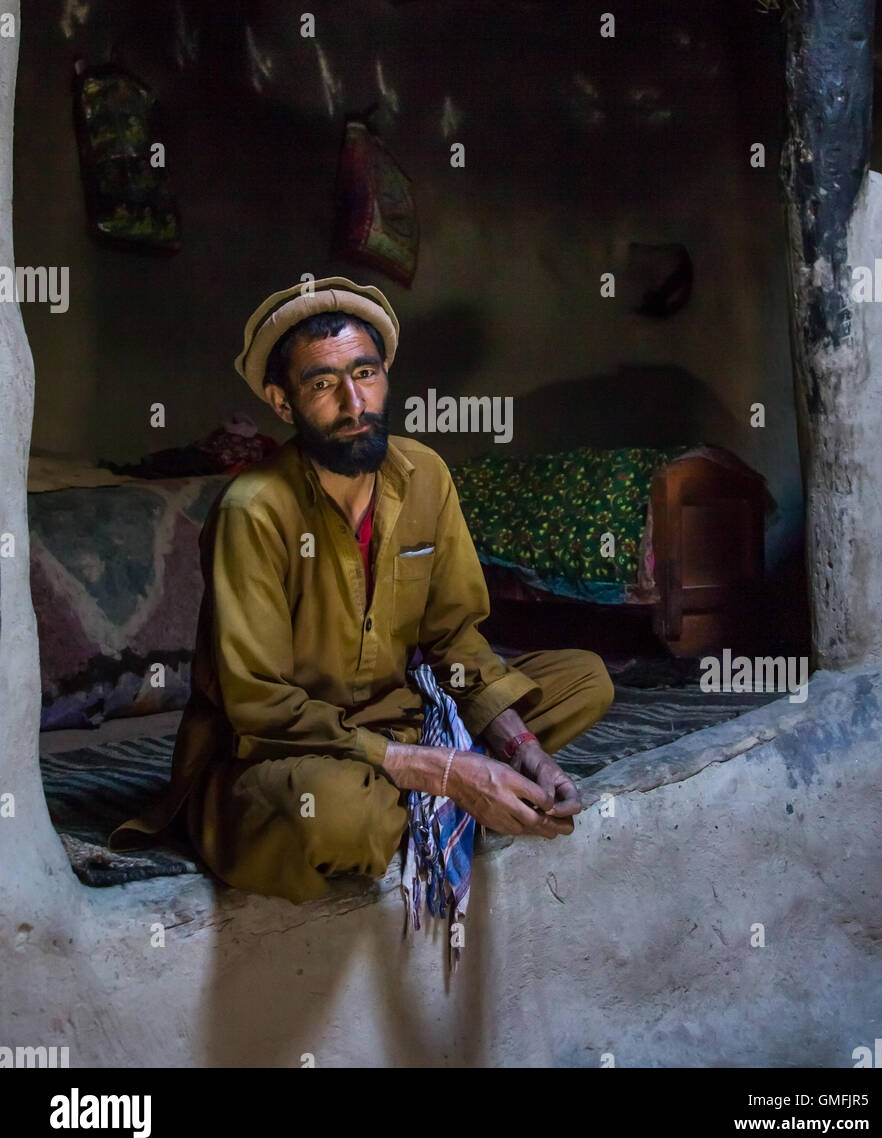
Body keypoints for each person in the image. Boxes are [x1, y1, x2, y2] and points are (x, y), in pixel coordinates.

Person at [111, 276, 615, 902]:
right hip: (274, 752)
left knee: (586, 679)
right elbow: (260, 707)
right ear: (281, 401)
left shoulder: (424, 475)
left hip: (403, 720)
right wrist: (445, 771)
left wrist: (526, 751)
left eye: (366, 373)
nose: (354, 403)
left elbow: (453, 638)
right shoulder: (254, 510)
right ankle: (431, 794)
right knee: (343, 818)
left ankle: (443, 786)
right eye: (323, 385)